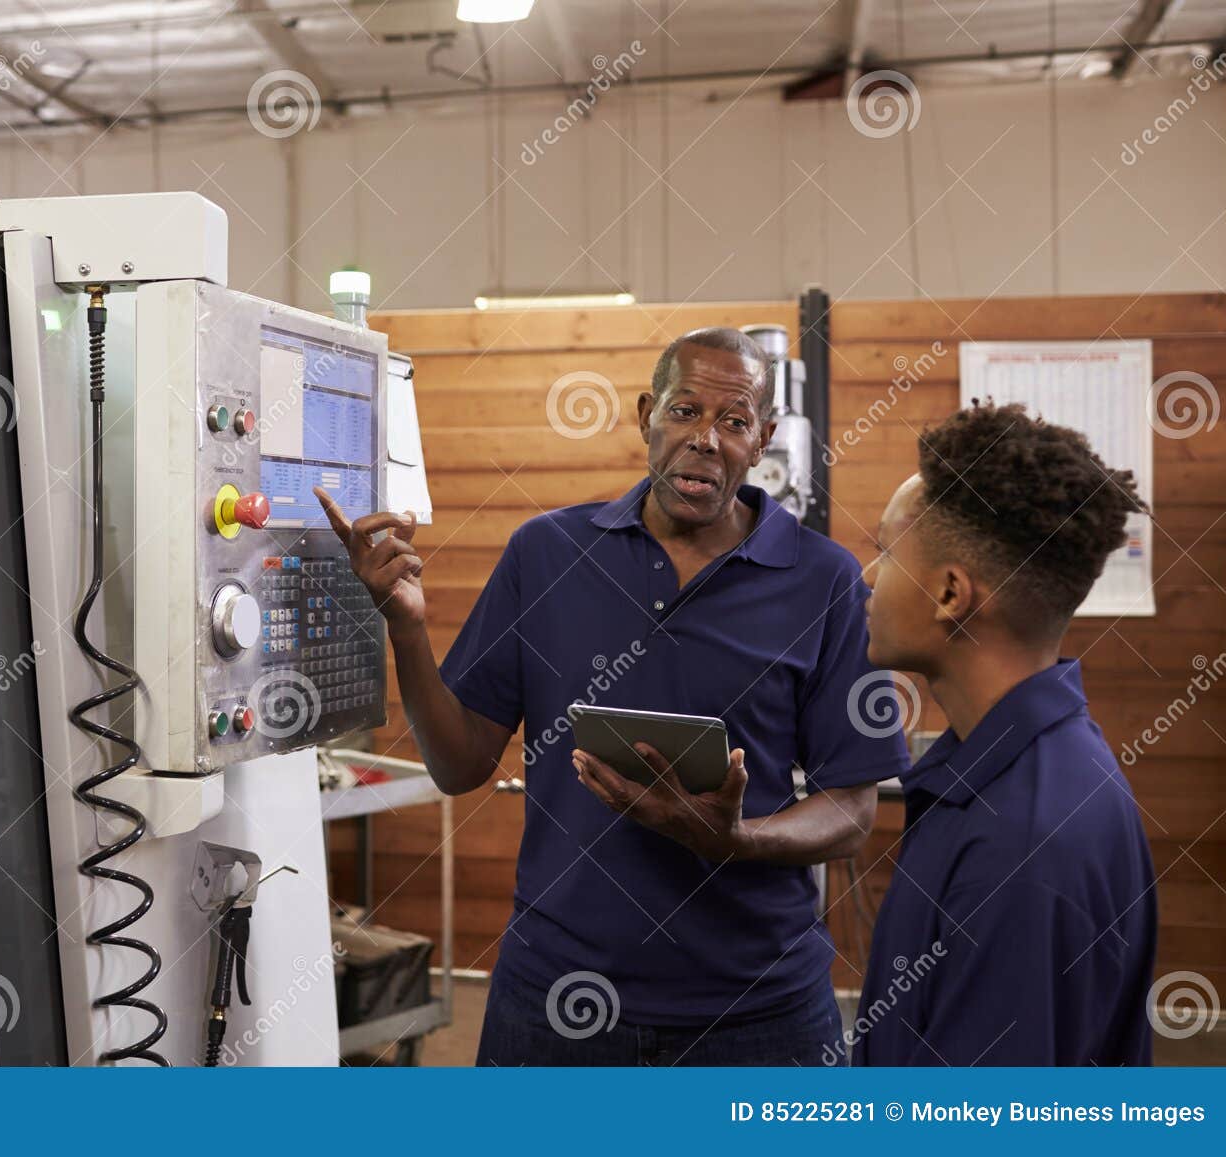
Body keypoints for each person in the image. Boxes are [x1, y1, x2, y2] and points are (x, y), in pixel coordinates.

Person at [316, 327, 909, 1066]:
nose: (704, 438)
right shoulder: (547, 553)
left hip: (757, 1013)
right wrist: (405, 630)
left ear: (763, 440)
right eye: (684, 410)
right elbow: (459, 764)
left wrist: (736, 840)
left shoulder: (823, 579)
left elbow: (853, 811)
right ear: (644, 416)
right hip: (555, 1002)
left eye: (733, 421)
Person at [853, 402, 1157, 1065]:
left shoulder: (1021, 844)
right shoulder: (1022, 771)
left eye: (885, 552)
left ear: (951, 594)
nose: (868, 579)